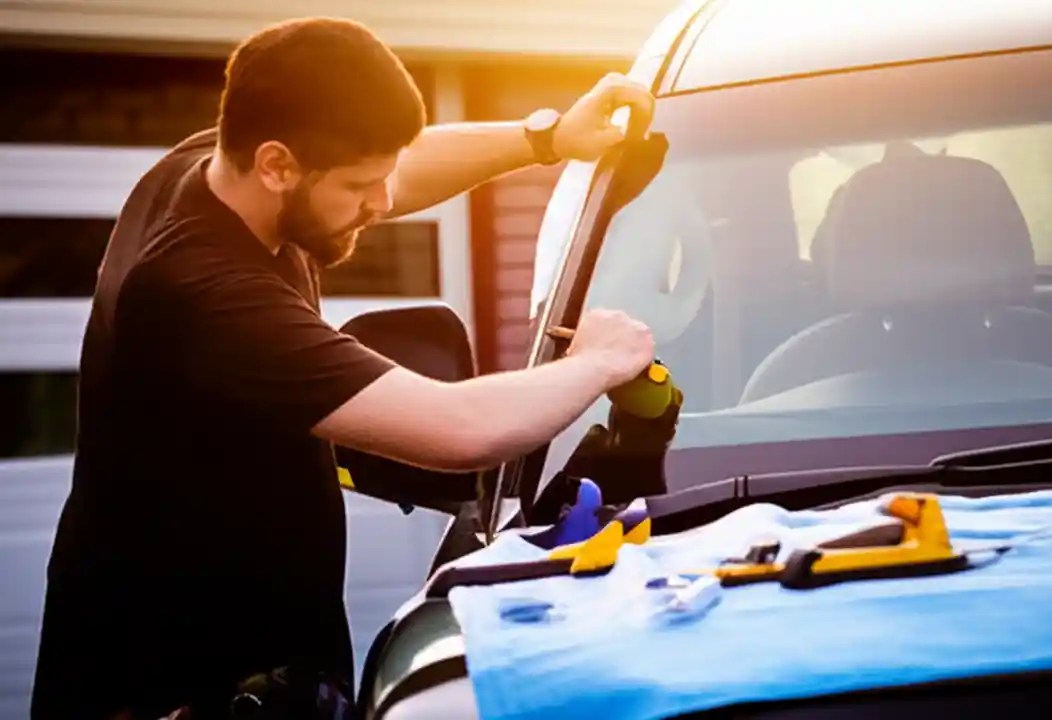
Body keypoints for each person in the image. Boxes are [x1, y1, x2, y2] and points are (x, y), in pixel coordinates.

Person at [31, 16, 657, 719]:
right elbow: (460, 428)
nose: (384, 202)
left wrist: (546, 138)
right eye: (362, 183)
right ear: (276, 165)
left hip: (258, 671)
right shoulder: (199, 294)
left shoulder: (219, 163)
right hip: (174, 692)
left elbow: (403, 167)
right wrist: (600, 360)